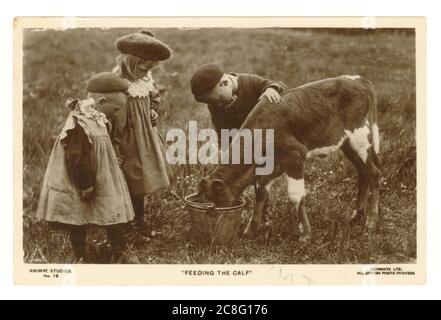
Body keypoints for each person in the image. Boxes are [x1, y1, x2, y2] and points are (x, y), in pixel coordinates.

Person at [36, 75, 135, 263]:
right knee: (76, 215)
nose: (116, 113)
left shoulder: (98, 117)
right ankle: (80, 253)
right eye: (115, 109)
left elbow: (103, 145)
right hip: (81, 179)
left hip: (101, 176)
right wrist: (85, 184)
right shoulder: (80, 124)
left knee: (112, 208)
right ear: (101, 101)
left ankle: (119, 250)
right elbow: (77, 158)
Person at [111, 30, 172, 237]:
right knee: (129, 178)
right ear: (130, 62)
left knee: (141, 179)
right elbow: (112, 114)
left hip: (145, 137)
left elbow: (154, 96)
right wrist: (116, 141)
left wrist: (152, 109)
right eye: (144, 68)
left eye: (151, 68)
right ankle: (124, 223)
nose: (147, 73)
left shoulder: (145, 80)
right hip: (126, 139)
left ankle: (138, 220)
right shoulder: (117, 83)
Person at [190, 63, 288, 139]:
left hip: (268, 132)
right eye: (212, 103)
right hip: (243, 141)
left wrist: (271, 89)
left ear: (225, 83)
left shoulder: (251, 82)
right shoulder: (214, 105)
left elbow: (276, 85)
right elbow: (221, 130)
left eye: (219, 99)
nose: (218, 104)